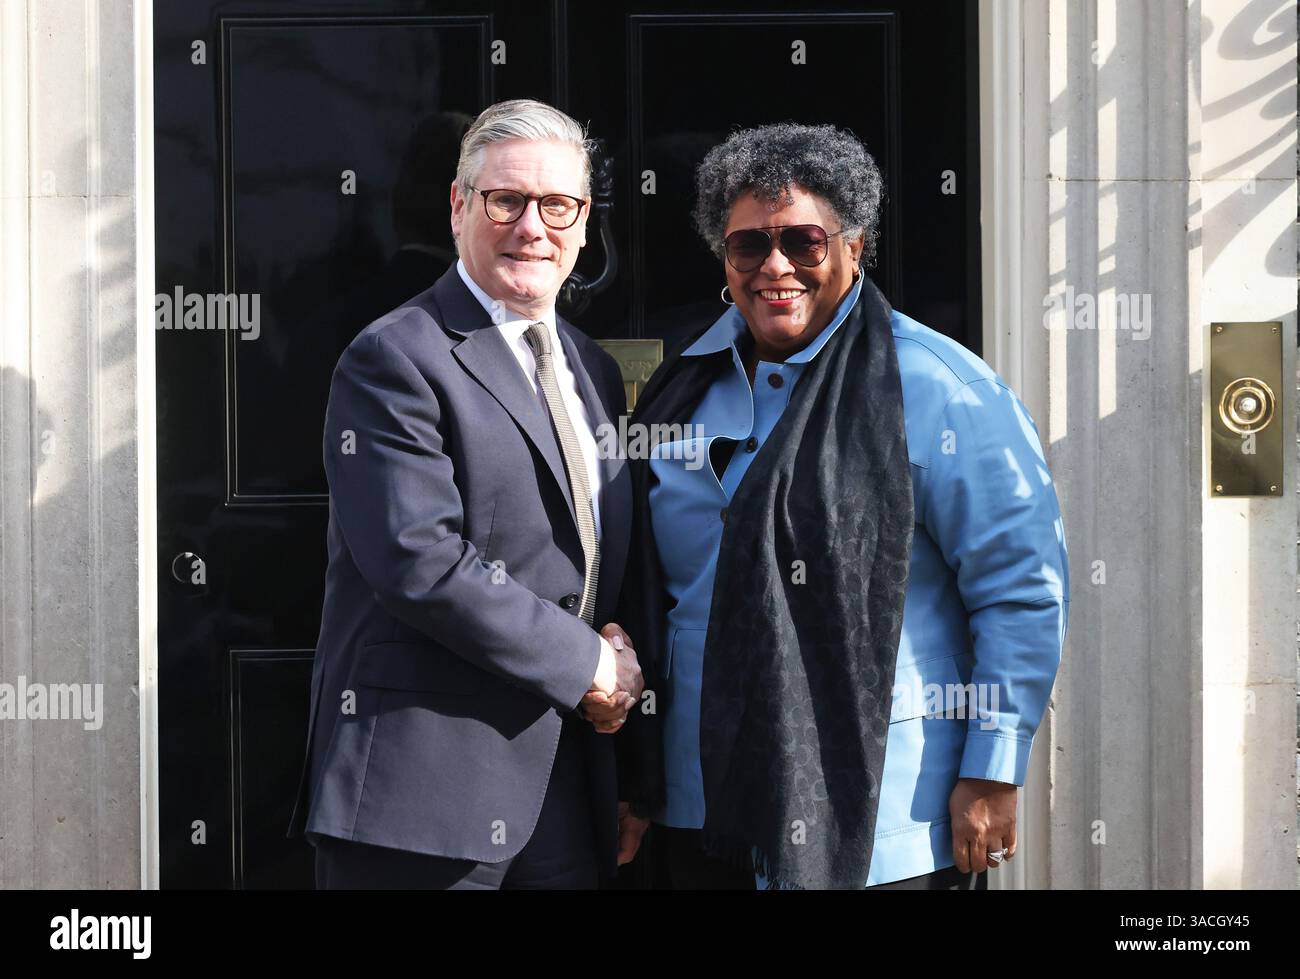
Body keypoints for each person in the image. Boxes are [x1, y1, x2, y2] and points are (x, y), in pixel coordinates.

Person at [614, 123, 1069, 890]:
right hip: (697, 806)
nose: (775, 266)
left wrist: (993, 768)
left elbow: (1020, 591)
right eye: (748, 246)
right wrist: (632, 776)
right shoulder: (680, 387)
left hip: (881, 813)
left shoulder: (940, 391)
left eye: (804, 241)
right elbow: (644, 587)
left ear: (854, 247)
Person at [287, 99, 644, 889]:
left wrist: (627, 761)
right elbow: (421, 560)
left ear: (585, 224)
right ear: (459, 206)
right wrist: (590, 662)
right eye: (505, 200)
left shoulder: (594, 368)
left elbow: (601, 560)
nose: (532, 227)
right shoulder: (394, 356)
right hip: (422, 802)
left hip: (564, 792)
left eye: (558, 205)